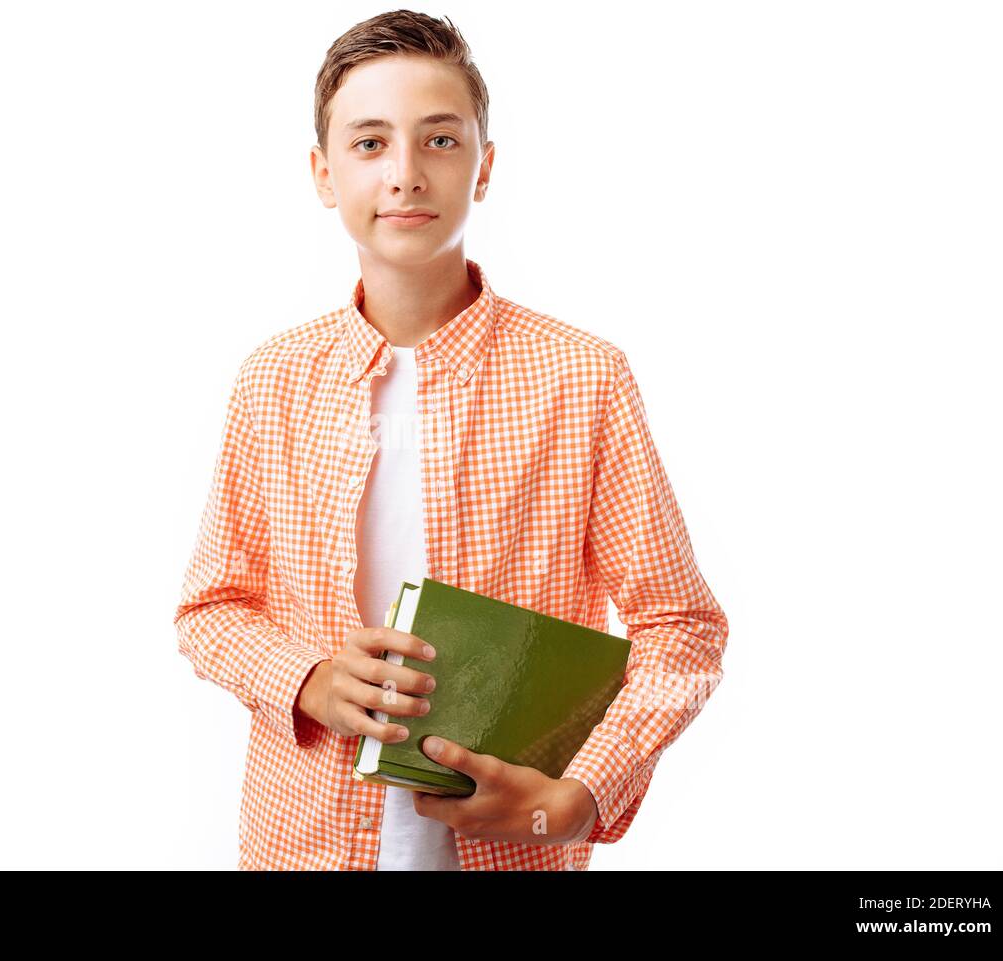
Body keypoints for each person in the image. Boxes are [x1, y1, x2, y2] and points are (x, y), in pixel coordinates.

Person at [174, 9, 729, 871]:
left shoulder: (583, 378)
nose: (405, 173)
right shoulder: (272, 380)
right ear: (324, 174)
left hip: (513, 856)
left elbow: (680, 627)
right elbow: (211, 609)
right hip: (302, 843)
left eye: (439, 139)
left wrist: (576, 796)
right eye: (369, 144)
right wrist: (309, 679)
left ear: (484, 164)